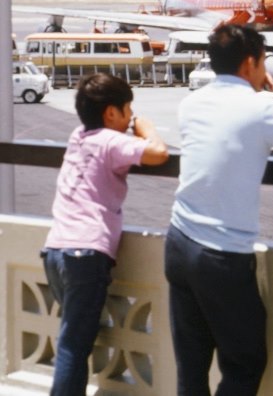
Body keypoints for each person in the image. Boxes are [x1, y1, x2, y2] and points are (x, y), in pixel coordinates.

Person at [165, 24, 273, 396]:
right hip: (221, 256)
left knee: (192, 365)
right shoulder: (261, 109)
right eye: (263, 62)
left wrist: (254, 88)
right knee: (245, 362)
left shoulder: (192, 103)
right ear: (250, 64)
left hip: (179, 242)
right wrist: (265, 98)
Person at [41, 73, 169, 396]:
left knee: (73, 336)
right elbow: (158, 154)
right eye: (127, 110)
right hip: (86, 253)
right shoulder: (113, 141)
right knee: (73, 344)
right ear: (111, 113)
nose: (129, 118)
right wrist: (146, 127)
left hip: (55, 249)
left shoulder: (78, 135)